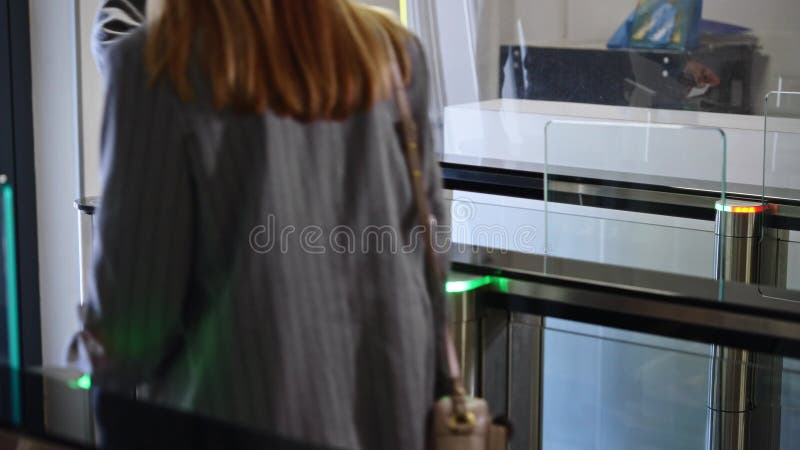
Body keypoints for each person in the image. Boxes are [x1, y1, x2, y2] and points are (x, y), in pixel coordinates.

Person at [76, 1, 448, 449]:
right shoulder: (392, 50)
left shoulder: (158, 64)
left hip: (241, 422)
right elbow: (431, 257)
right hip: (392, 417)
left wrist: (80, 363)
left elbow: (132, 327)